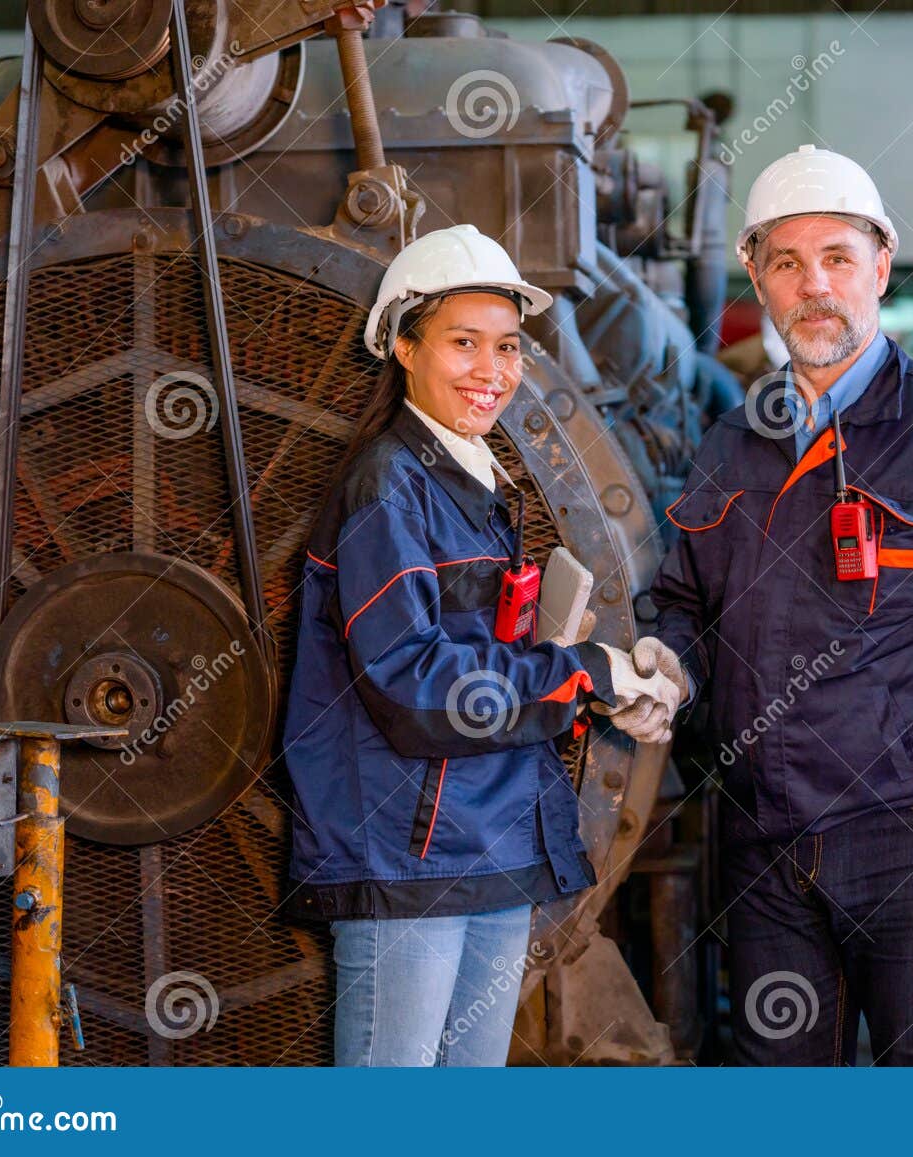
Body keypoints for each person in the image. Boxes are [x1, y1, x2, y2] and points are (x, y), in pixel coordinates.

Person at [608, 145, 913, 1065]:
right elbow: (683, 599)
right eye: (786, 263)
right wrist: (666, 660)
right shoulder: (733, 443)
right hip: (765, 848)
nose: (813, 285)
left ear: (881, 268)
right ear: (760, 282)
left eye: (838, 258)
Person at [282, 224, 680, 1067]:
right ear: (402, 346)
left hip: (491, 836)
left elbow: (470, 653)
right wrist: (581, 673)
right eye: (463, 344)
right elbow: (412, 683)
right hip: (409, 855)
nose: (491, 372)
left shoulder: (474, 480)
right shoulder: (388, 487)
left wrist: (605, 683)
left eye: (506, 348)